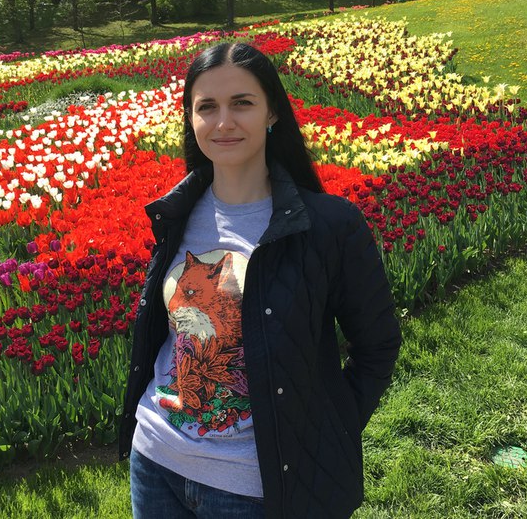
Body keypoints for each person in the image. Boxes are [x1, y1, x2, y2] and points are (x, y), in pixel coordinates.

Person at [119, 42, 402, 518]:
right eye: (207, 107)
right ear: (190, 118)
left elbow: (378, 346)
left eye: (242, 103)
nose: (223, 122)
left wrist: (326, 433)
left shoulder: (328, 225)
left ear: (272, 112)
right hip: (156, 459)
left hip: (252, 488)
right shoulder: (177, 212)